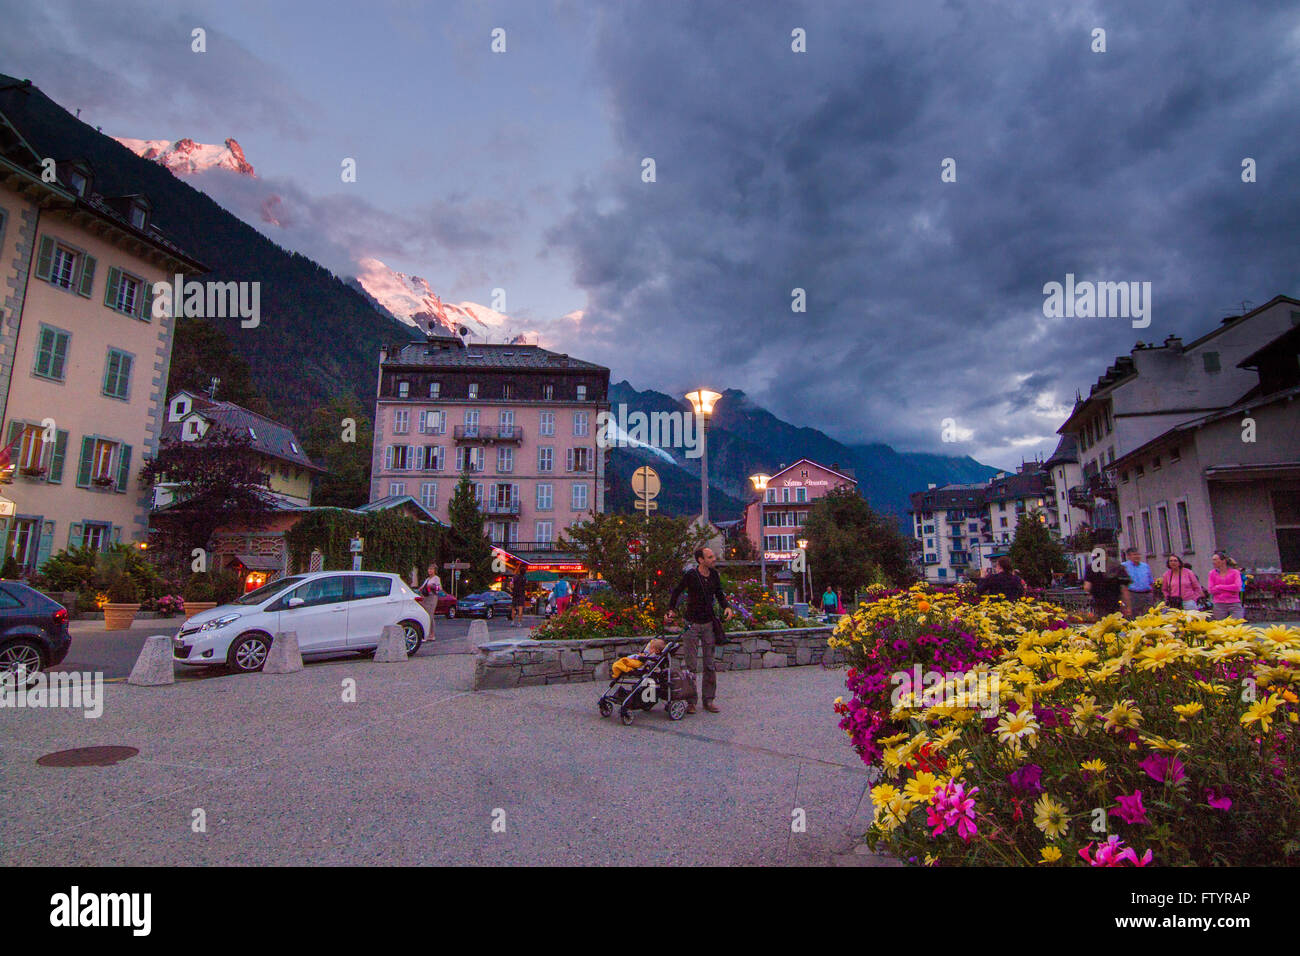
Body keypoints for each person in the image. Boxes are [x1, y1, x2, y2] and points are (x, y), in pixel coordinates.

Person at [665, 546, 733, 714]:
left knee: (710, 664)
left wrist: (727, 607)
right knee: (691, 664)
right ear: (700, 560)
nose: (713, 559)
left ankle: (709, 700)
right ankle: (691, 701)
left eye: (712, 556)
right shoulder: (691, 576)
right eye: (710, 557)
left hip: (709, 624)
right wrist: (671, 609)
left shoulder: (714, 575)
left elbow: (719, 594)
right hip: (692, 624)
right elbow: (677, 591)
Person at [1083, 552, 1129, 617]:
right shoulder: (1117, 567)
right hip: (1116, 601)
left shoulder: (1090, 568)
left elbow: (1087, 587)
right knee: (1118, 622)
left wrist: (1090, 594)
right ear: (1106, 555)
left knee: (1103, 623)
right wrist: (1127, 605)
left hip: (1099, 602)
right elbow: (1124, 589)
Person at [1207, 551, 1245, 620]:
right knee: (1221, 626)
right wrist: (1230, 588)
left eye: (1215, 560)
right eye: (1213, 560)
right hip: (1219, 604)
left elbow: (1237, 587)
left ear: (1223, 561)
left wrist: (1219, 587)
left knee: (1237, 624)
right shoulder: (1212, 573)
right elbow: (1211, 590)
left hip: (1234, 603)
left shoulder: (1235, 572)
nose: (1213, 562)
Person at [1121, 547, 1154, 617]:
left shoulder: (1145, 566)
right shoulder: (1124, 567)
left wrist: (1151, 594)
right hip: (1133, 595)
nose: (1137, 556)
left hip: (1146, 594)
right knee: (1133, 616)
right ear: (1129, 556)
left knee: (1149, 616)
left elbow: (1151, 581)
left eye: (1138, 554)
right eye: (1134, 555)